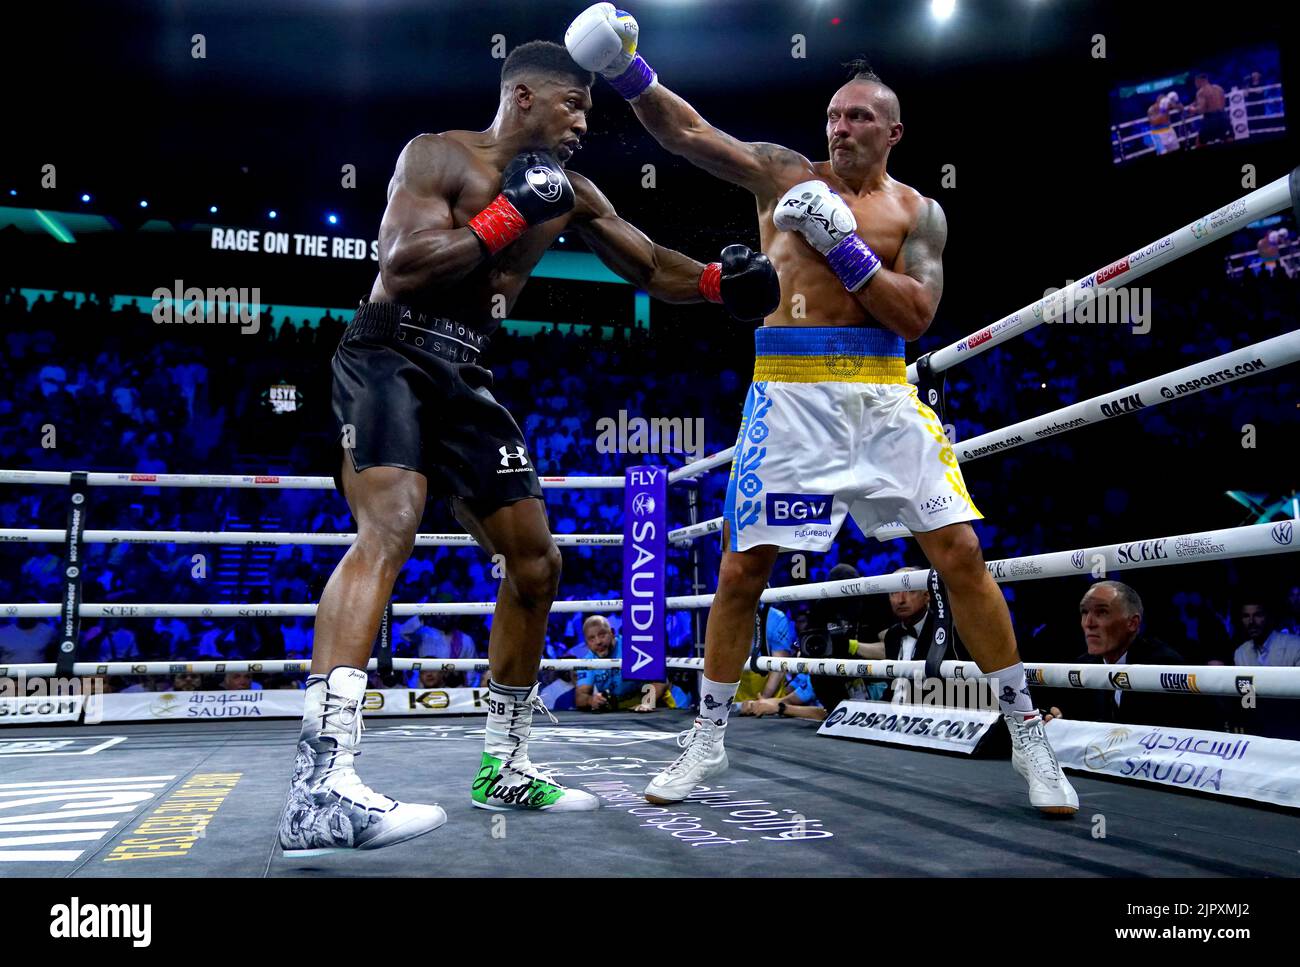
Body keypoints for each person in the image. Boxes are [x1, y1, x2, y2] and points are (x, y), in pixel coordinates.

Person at [567, 4, 1076, 813]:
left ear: (893, 133)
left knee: (960, 552)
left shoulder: (918, 213)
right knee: (743, 568)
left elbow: (914, 318)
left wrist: (842, 247)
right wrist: (625, 69)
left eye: (860, 118)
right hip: (789, 393)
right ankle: (705, 738)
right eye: (835, 115)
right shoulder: (781, 174)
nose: (841, 128)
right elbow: (688, 135)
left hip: (883, 393)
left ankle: (1029, 737)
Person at [279, 39, 780, 853]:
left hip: (465, 373)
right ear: (522, 99)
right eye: (572, 105)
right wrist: (508, 213)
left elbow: (649, 264)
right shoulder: (438, 155)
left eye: (589, 108)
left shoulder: (574, 191)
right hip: (387, 352)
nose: (585, 121)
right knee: (390, 526)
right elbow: (403, 266)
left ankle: (505, 761)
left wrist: (724, 285)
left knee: (537, 562)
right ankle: (320, 783)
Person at [1043, 581, 1213, 729]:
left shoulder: (1162, 664)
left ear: (1132, 623)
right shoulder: (1083, 666)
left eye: (1101, 612)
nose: (1088, 623)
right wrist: (1059, 718)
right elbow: (1069, 712)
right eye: (1084, 612)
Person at [573, 615, 666, 711]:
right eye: (592, 639)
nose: (598, 642)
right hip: (620, 710)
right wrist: (591, 700)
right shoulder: (588, 661)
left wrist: (647, 703)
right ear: (586, 643)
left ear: (612, 633)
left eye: (602, 635)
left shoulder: (632, 647)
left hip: (654, 702)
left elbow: (661, 681)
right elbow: (580, 697)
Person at [1187, 73, 1231, 146]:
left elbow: (1201, 110)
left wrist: (1192, 109)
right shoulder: (1219, 88)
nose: (1195, 84)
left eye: (1195, 82)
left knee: (1199, 143)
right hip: (1224, 117)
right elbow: (1223, 103)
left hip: (1211, 120)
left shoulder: (1201, 92)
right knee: (1227, 139)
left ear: (1199, 81)